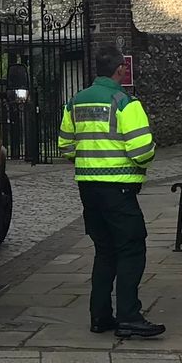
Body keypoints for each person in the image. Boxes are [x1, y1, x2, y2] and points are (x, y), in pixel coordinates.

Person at [59, 48, 164, 339]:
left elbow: (65, 147)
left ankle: (100, 316)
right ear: (120, 70)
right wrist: (145, 159)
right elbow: (141, 151)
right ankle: (129, 315)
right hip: (118, 188)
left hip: (88, 188)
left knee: (104, 250)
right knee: (132, 248)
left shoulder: (75, 102)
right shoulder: (125, 103)